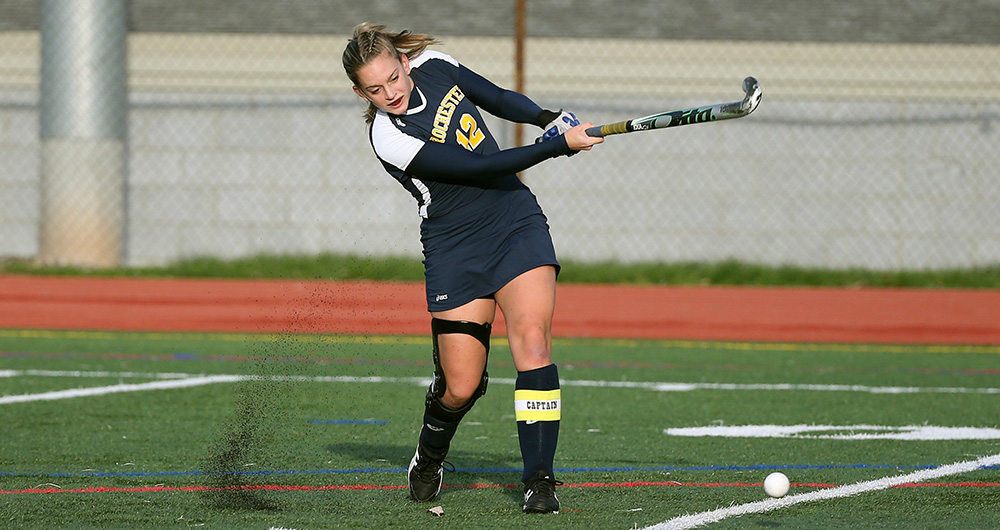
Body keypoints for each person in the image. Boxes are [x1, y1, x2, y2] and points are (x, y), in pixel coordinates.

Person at [342, 22, 602, 514]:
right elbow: (478, 169)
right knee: (461, 385)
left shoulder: (437, 68)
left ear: (403, 62)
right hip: (454, 246)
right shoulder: (387, 136)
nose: (390, 93)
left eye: (393, 78)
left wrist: (549, 118)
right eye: (374, 90)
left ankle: (539, 480)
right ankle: (430, 453)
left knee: (532, 341)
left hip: (513, 221)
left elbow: (499, 97)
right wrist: (558, 146)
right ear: (360, 92)